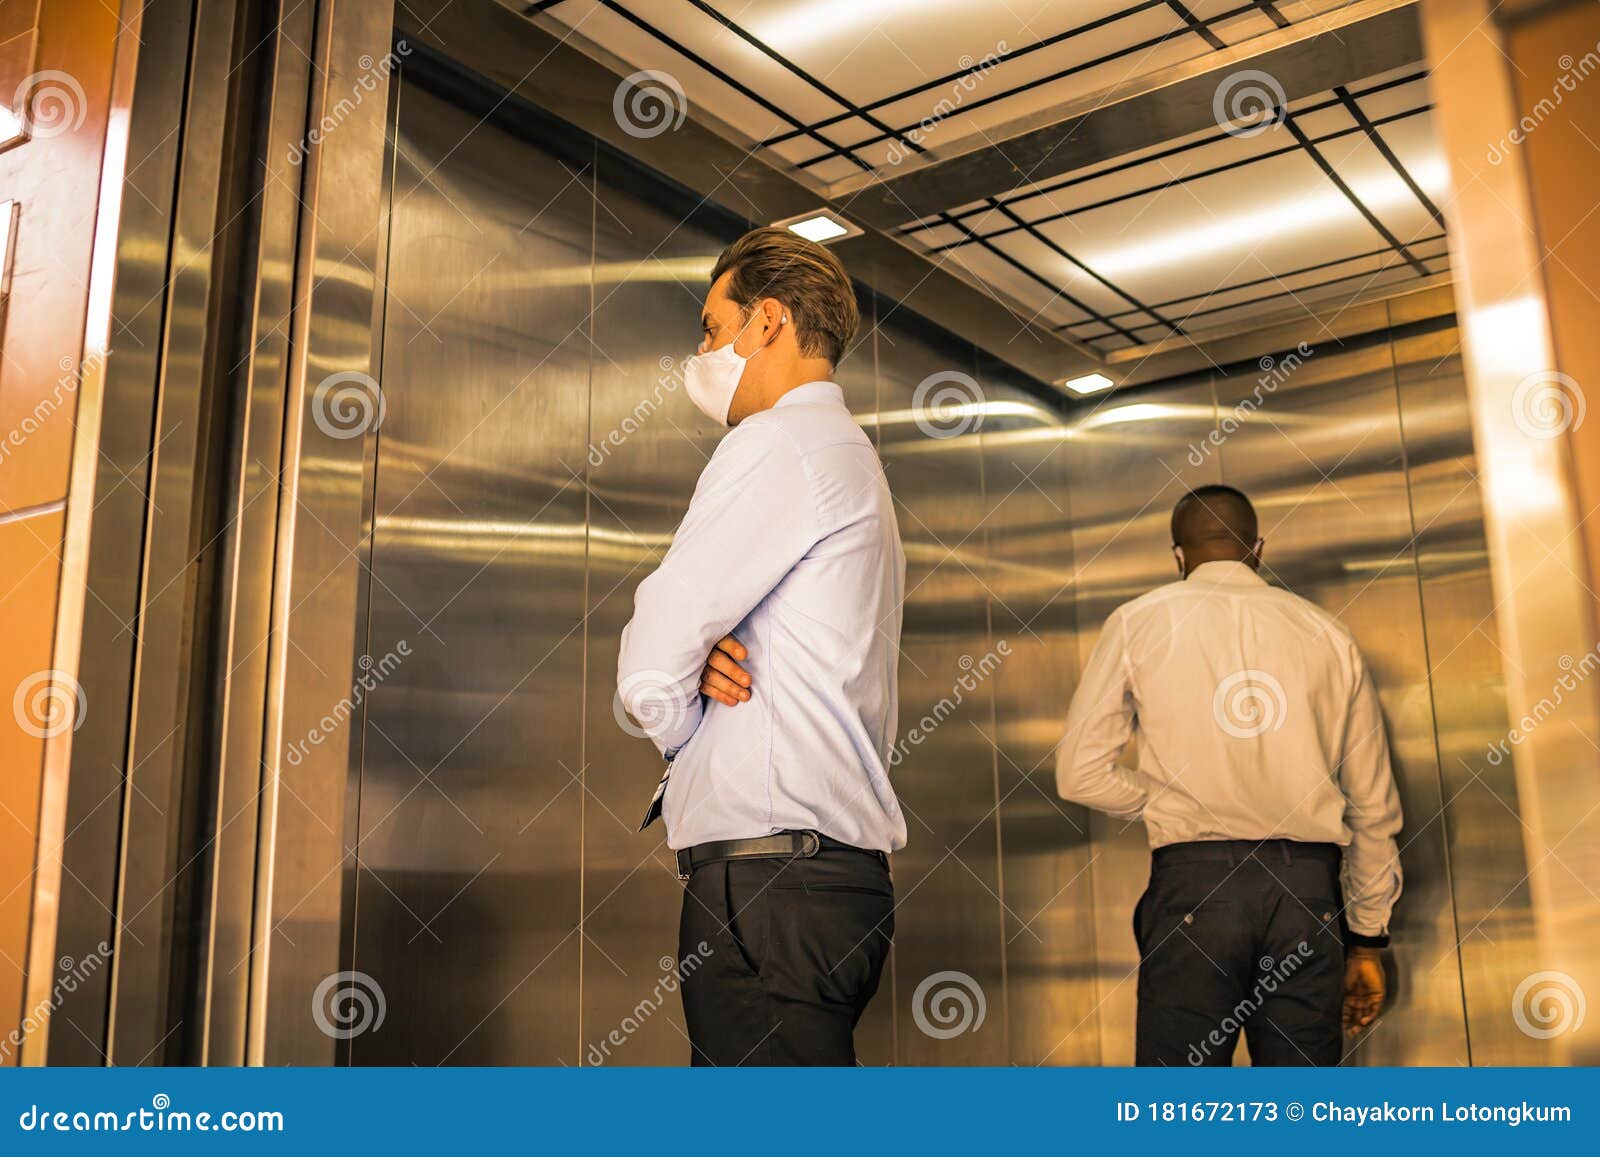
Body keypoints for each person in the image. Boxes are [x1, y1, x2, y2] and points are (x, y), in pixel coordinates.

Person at [616, 226, 906, 1066]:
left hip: (768, 885)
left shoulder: (777, 440)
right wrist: (697, 666)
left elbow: (650, 657)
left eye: (712, 326)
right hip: (823, 883)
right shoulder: (852, 458)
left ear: (767, 320)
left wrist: (685, 713)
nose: (702, 350)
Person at [1056, 484, 1402, 1066]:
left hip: (1196, 890)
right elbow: (1372, 805)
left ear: (1178, 556)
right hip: (1306, 895)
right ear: (1258, 551)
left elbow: (1079, 775)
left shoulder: (1138, 622)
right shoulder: (1329, 635)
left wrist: (1171, 800)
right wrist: (1367, 938)